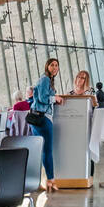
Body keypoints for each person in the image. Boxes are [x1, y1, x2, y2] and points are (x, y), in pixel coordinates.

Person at [26, 58, 65, 190]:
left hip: (40, 118)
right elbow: (43, 98)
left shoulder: (47, 80)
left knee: (42, 150)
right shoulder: (45, 79)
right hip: (42, 118)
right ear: (47, 66)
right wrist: (56, 98)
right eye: (52, 65)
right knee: (47, 150)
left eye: (57, 65)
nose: (55, 67)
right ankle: (50, 180)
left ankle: (43, 180)